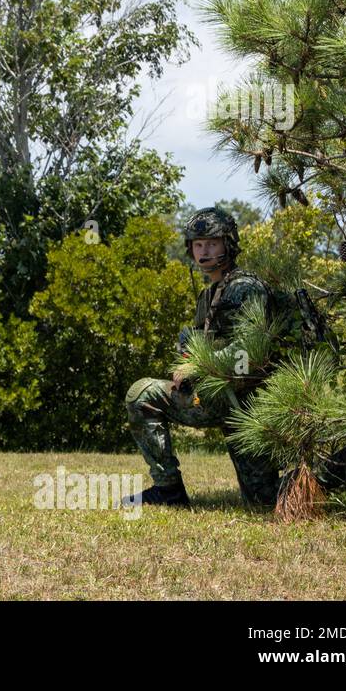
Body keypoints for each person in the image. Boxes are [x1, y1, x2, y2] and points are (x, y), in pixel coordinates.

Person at [123, 208, 279, 507]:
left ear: (228, 244)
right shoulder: (209, 295)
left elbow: (250, 350)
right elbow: (197, 344)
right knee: (141, 394)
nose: (204, 251)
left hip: (249, 406)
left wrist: (198, 364)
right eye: (198, 245)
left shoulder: (246, 288)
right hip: (216, 399)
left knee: (264, 502)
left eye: (212, 243)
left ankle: (338, 468)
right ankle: (168, 490)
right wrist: (186, 359)